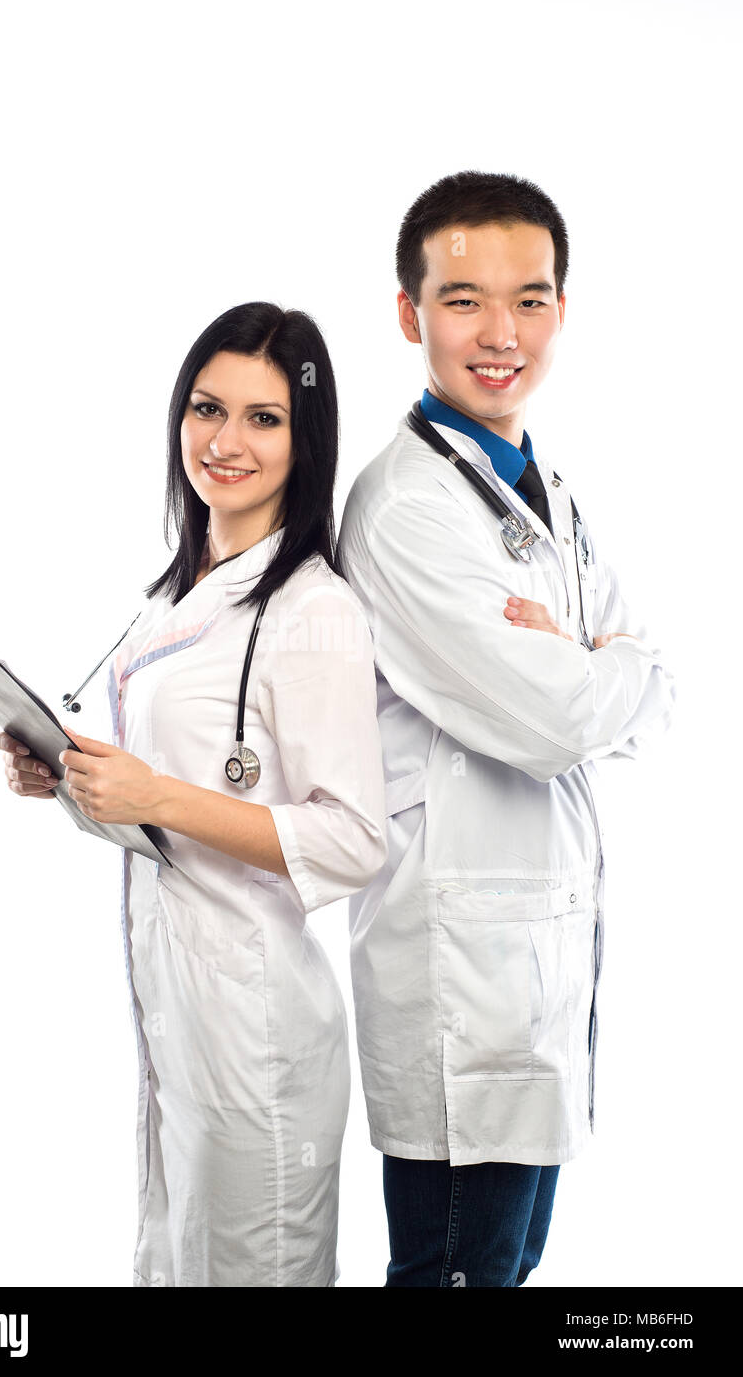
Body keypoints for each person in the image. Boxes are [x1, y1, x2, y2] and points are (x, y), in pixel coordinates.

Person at [0, 301, 387, 1287]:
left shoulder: (312, 612)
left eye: (264, 418)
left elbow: (350, 840)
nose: (224, 441)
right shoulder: (173, 595)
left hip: (258, 1036)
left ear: (306, 440)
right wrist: (71, 780)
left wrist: (153, 792)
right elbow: (163, 809)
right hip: (179, 1012)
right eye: (207, 408)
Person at [336, 170, 676, 1287]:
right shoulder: (404, 509)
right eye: (462, 298)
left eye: (528, 300)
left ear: (559, 313)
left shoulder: (544, 495)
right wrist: (590, 666)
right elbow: (554, 721)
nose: (499, 333)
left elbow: (658, 687)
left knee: (506, 1271)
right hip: (458, 991)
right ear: (408, 313)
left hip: (530, 980)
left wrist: (598, 671)